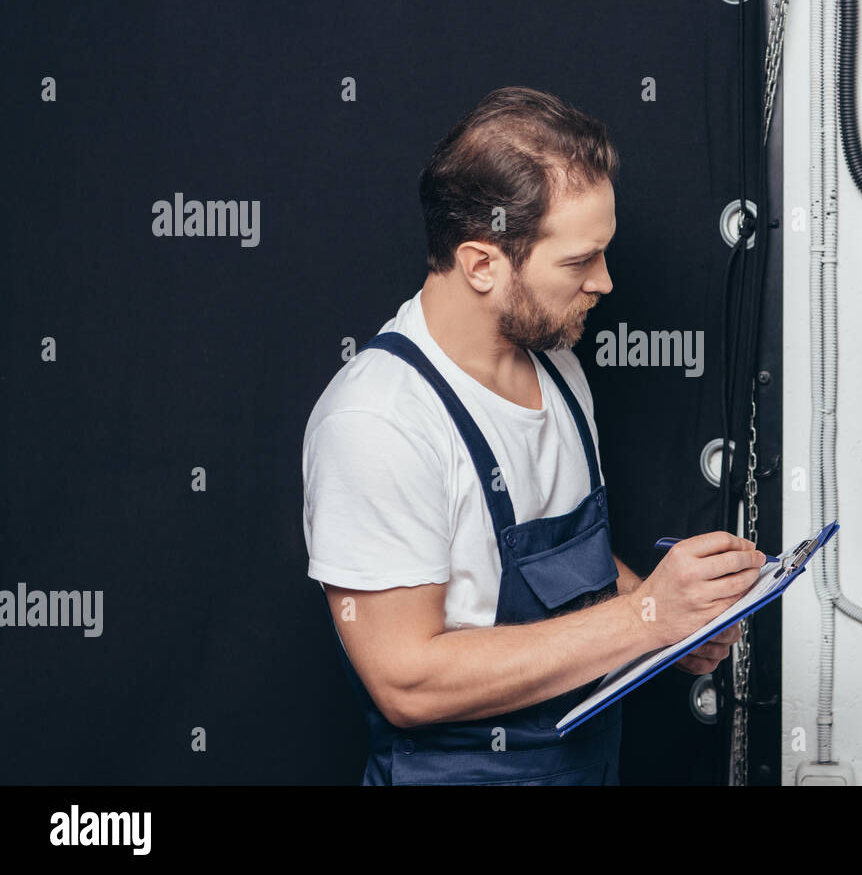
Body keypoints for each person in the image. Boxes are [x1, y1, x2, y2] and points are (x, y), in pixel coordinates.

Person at [301, 86, 765, 785]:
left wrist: (676, 626)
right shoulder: (378, 422)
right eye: (579, 262)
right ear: (483, 264)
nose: (605, 283)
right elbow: (406, 682)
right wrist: (645, 615)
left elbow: (573, 570)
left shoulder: (562, 372)